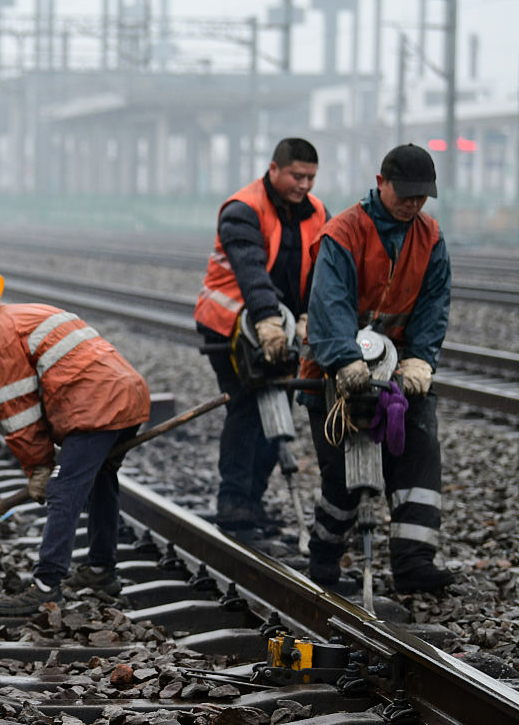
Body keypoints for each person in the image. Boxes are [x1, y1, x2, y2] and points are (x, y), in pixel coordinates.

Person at [0, 275, 151, 616]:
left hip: (97, 404)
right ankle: (101, 571)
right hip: (128, 393)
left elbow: (21, 416)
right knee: (101, 479)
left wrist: (40, 468)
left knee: (63, 489)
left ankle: (46, 585)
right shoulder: (25, 313)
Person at [301, 143, 456, 593]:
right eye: (405, 194)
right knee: (342, 475)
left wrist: (421, 361)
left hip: (399, 369)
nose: (413, 203)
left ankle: (414, 563)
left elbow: (434, 305)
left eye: (421, 196)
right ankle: (324, 559)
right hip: (334, 369)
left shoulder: (430, 237)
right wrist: (344, 360)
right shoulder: (344, 233)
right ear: (380, 183)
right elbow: (329, 303)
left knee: (418, 458)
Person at [195, 137, 328, 533]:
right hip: (229, 323)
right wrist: (268, 320)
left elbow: (322, 268)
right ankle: (234, 501)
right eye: (296, 176)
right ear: (274, 169)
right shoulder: (243, 209)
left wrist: (307, 316)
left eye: (310, 177)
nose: (304, 185)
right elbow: (250, 269)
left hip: (281, 329)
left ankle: (252, 499)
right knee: (247, 406)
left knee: (278, 410)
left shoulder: (318, 213)